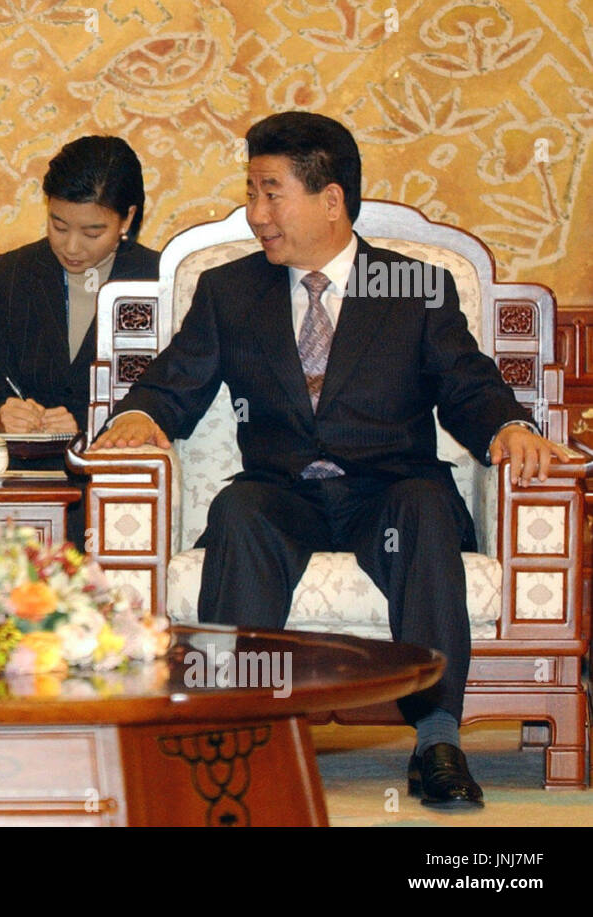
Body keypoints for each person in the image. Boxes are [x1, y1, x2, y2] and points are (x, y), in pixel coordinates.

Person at [94, 111, 563, 810]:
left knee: (427, 506)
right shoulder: (230, 290)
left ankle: (438, 740)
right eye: (252, 192)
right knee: (238, 510)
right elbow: (175, 382)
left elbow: (469, 383)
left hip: (389, 489)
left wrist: (508, 425)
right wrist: (135, 415)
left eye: (269, 192)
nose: (256, 213)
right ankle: (232, 729)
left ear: (331, 199)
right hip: (283, 494)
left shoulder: (417, 289)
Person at [0, 135, 159, 547]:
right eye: (59, 225)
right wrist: (2, 419)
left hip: (116, 479)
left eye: (93, 232)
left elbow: (164, 399)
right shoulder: (13, 275)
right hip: (27, 480)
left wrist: (86, 423)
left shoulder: (158, 282)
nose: (71, 247)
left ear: (126, 219)